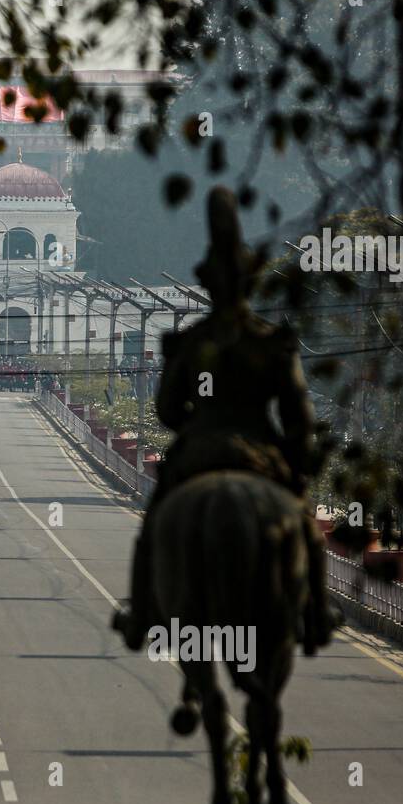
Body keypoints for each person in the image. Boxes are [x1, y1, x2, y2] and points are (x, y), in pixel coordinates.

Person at [114, 187, 330, 653]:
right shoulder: (272, 341)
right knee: (305, 525)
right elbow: (298, 413)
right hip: (263, 454)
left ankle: (143, 613)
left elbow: (168, 410)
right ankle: (315, 612)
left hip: (200, 450)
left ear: (209, 285)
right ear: (251, 286)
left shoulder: (191, 342)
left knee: (155, 525)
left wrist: (196, 422)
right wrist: (298, 460)